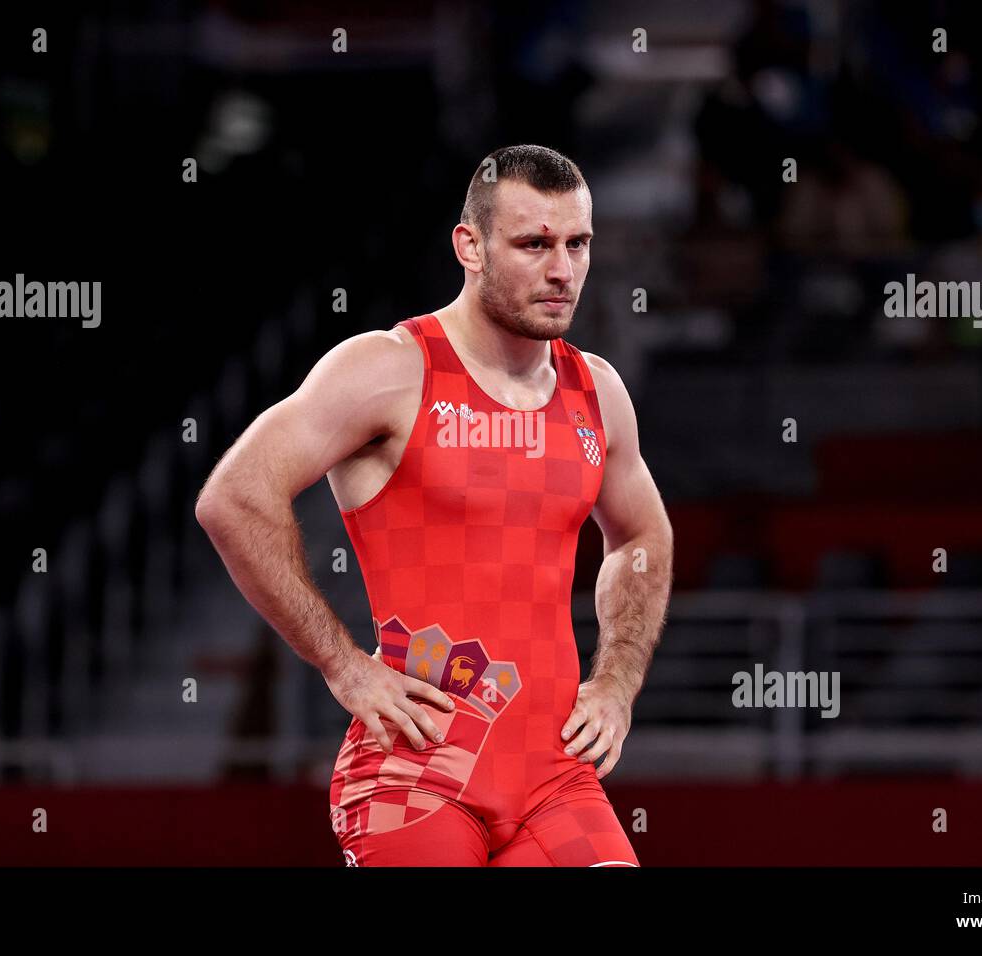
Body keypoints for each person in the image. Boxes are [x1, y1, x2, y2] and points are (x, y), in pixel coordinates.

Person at [196, 145, 673, 866]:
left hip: (553, 776)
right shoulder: (390, 370)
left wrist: (617, 681)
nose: (562, 270)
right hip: (415, 771)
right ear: (470, 246)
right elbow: (233, 497)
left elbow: (642, 535)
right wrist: (342, 665)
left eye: (577, 244)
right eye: (534, 244)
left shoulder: (597, 393)